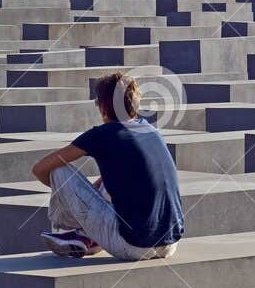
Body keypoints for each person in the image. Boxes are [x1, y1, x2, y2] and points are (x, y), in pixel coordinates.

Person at [31, 71, 185, 260]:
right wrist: (93, 193)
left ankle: (78, 232)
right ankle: (88, 236)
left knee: (59, 170)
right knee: (116, 176)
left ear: (103, 106)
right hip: (170, 244)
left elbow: (40, 169)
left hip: (132, 246)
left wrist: (67, 196)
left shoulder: (103, 135)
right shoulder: (150, 130)